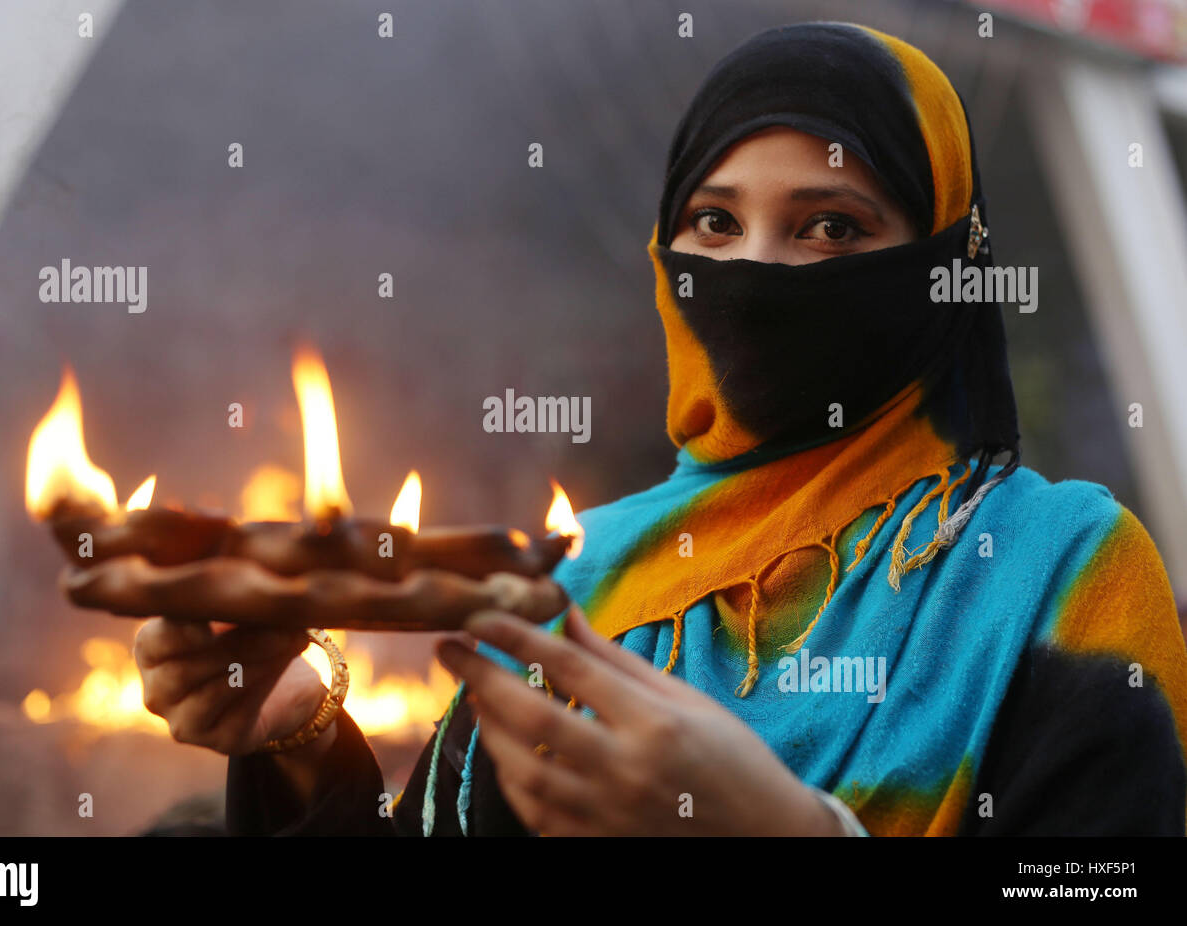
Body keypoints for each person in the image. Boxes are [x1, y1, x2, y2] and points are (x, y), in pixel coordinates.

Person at [79, 22, 1187, 836]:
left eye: (829, 226)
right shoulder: (588, 576)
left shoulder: (1060, 573)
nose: (754, 270)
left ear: (941, 270)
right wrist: (299, 733)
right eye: (715, 220)